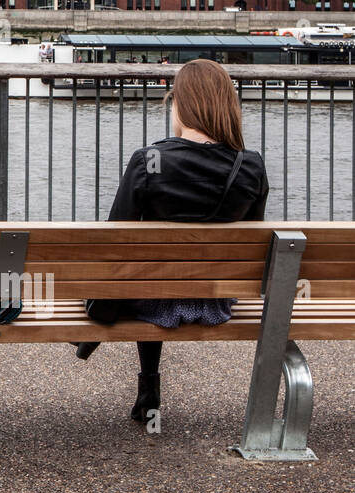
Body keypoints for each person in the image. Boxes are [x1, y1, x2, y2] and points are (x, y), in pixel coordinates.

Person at [75, 58, 269, 421]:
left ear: (182, 104)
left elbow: (113, 238)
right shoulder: (251, 166)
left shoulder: (148, 160)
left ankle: (142, 377)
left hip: (152, 297)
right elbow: (252, 238)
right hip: (213, 300)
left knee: (145, 275)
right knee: (155, 274)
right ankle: (144, 381)